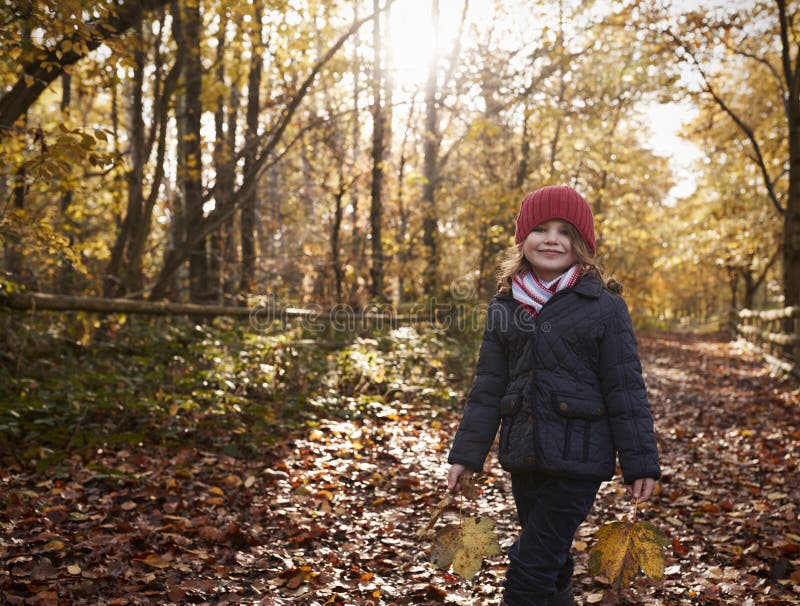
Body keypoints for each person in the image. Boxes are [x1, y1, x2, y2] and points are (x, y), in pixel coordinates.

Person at [445, 185, 660, 606]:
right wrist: (465, 455)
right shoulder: (505, 305)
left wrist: (640, 462)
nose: (552, 239)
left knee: (530, 563)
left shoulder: (604, 306)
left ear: (581, 244)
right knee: (551, 555)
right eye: (541, 229)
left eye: (565, 231)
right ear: (523, 239)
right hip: (524, 454)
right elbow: (487, 386)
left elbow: (625, 388)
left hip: (580, 457)